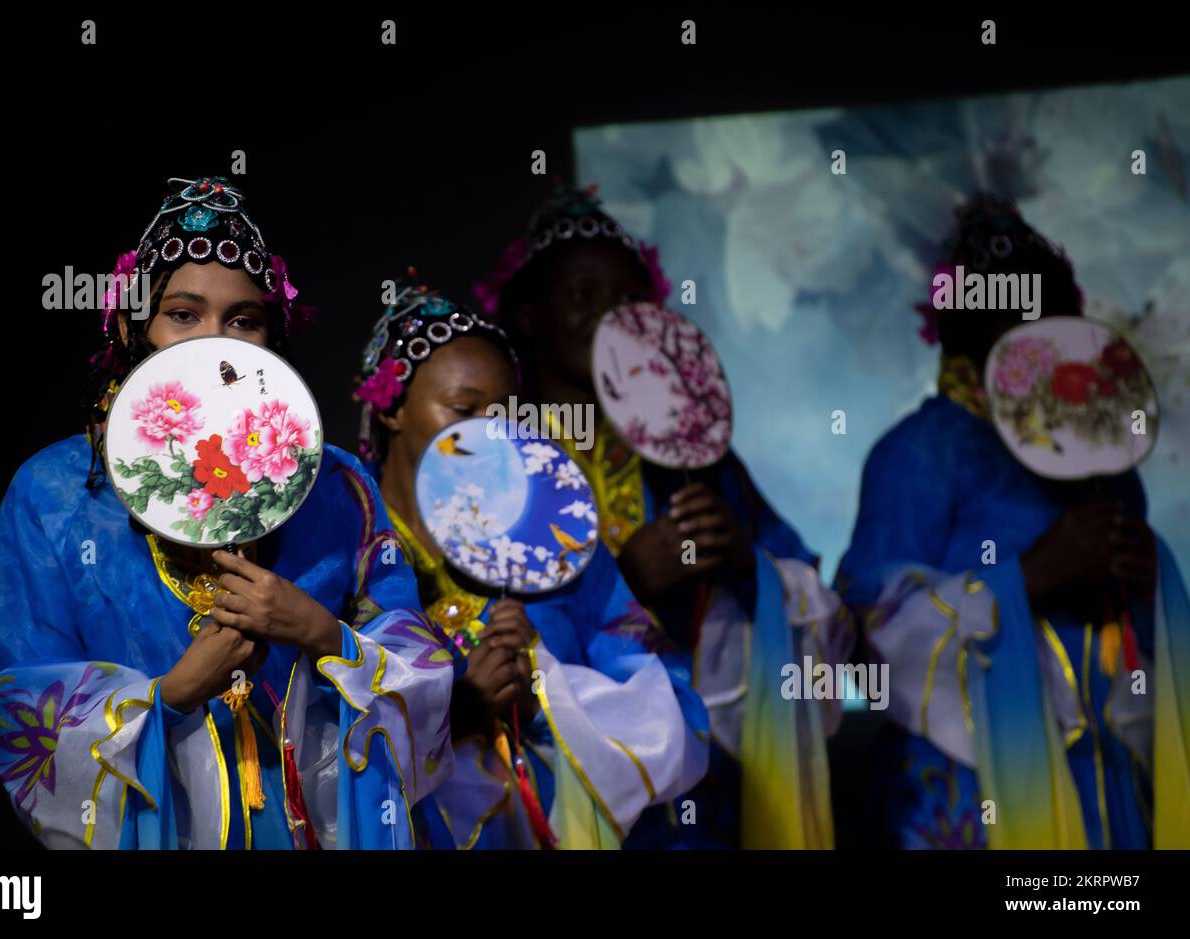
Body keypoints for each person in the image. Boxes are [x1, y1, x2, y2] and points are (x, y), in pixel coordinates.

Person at [0, 177, 454, 849]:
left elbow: (420, 663)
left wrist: (322, 634)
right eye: (183, 314)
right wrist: (167, 697)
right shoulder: (53, 492)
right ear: (129, 324)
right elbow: (14, 701)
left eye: (242, 320)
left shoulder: (337, 482)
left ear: (271, 334)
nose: (213, 342)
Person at [475, 186, 850, 848]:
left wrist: (746, 565)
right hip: (572, 790)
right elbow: (481, 630)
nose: (610, 317)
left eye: (628, 299)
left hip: (711, 782)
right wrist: (627, 580)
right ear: (529, 315)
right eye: (582, 295)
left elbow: (831, 617)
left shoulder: (698, 457)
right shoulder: (505, 462)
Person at [835, 192, 1189, 849]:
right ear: (956, 324)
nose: (1028, 322)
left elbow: (1141, 645)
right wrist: (1028, 576)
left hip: (1103, 776)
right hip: (972, 782)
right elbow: (867, 625)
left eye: (1046, 308)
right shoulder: (920, 451)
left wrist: (1148, 579)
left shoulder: (1110, 466)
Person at [355, 269, 709, 848]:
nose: (488, 436)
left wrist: (544, 694)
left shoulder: (560, 538)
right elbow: (312, 725)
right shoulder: (350, 543)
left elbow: (674, 709)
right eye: (463, 411)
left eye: (504, 415)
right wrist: (456, 710)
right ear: (392, 409)